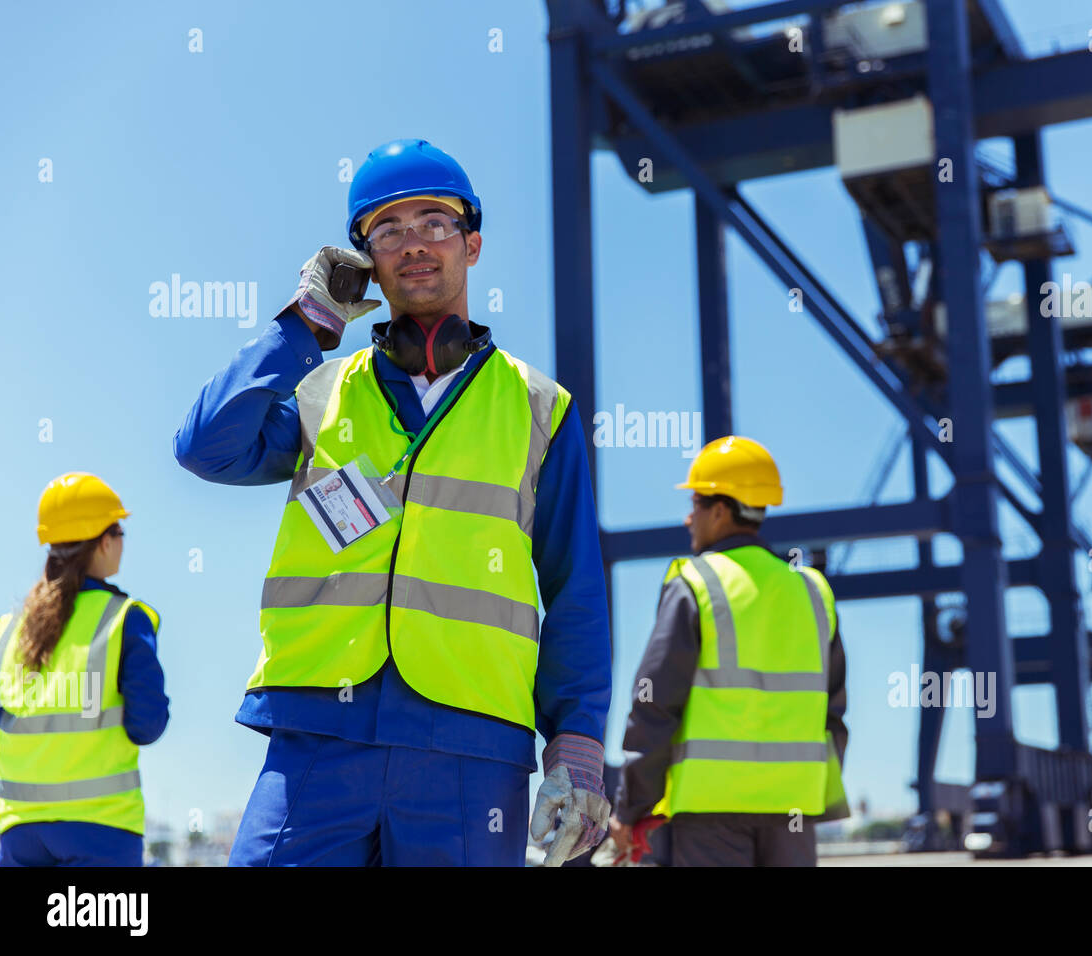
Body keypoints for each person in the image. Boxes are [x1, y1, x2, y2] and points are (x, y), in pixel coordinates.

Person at [174, 138, 611, 867]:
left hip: (472, 747)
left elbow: (575, 592)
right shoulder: (321, 388)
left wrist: (579, 741)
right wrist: (305, 326)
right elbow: (206, 448)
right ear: (363, 261)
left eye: (434, 223)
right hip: (318, 734)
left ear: (472, 244)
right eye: (388, 230)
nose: (413, 244)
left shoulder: (541, 409)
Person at [608, 436, 848, 866]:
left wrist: (631, 808)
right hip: (793, 811)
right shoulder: (813, 593)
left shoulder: (696, 584)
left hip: (709, 814)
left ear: (721, 510)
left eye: (696, 502)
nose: (688, 517)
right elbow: (834, 716)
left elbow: (654, 705)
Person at [0, 473, 169, 867]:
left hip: (19, 828)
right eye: (120, 530)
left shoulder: (6, 631)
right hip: (101, 826)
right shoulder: (125, 619)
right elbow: (148, 725)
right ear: (105, 541)